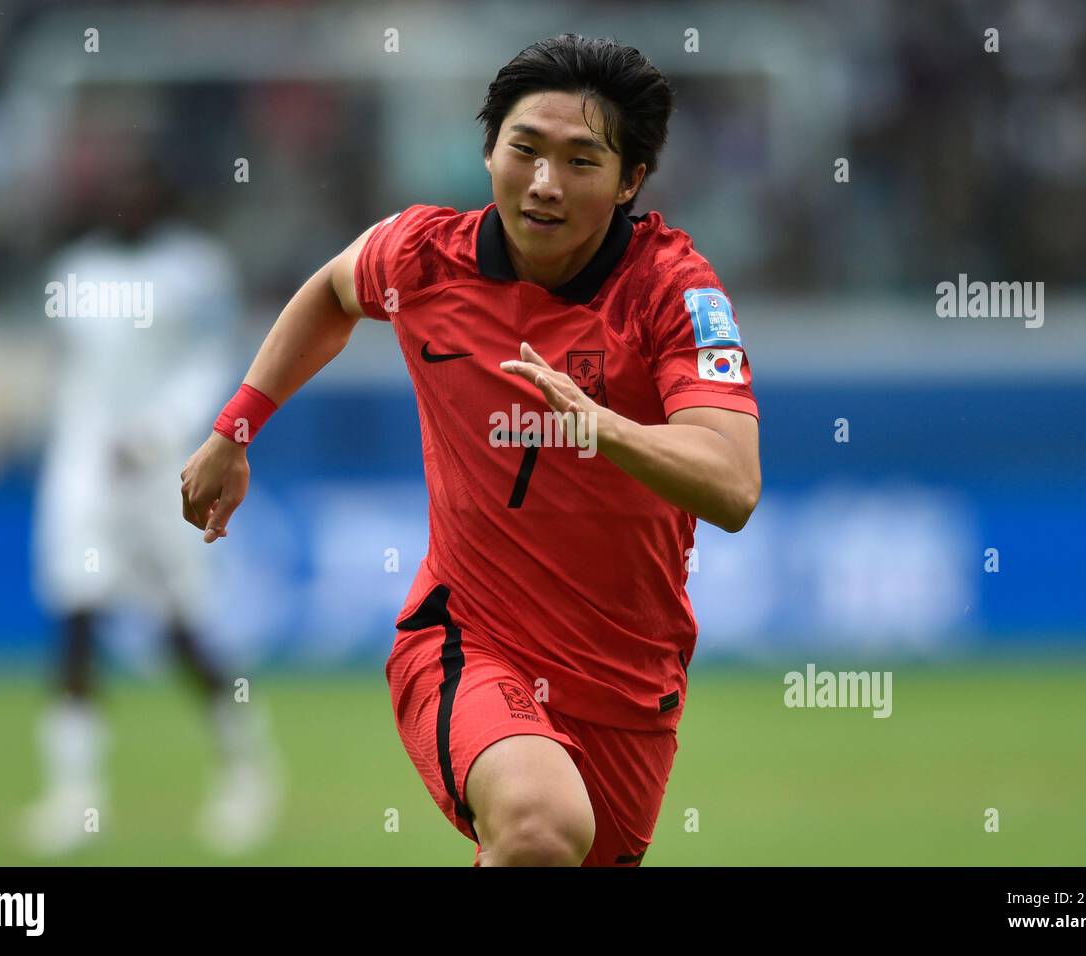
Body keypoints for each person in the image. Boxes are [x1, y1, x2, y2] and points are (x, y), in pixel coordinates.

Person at [181, 34, 760, 866]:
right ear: (488, 150)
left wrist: (605, 428)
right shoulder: (423, 257)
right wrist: (234, 430)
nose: (545, 183)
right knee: (538, 825)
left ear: (631, 181)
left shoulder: (676, 293)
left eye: (581, 161)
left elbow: (734, 484)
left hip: (629, 685)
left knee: (547, 846)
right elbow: (332, 292)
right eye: (523, 149)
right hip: (466, 642)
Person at [25, 145, 281, 856]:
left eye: (143, 187)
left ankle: (247, 768)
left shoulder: (193, 271)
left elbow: (211, 364)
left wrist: (156, 432)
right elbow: (63, 370)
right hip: (83, 469)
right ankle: (73, 791)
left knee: (182, 626)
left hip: (166, 469)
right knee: (75, 613)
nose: (129, 201)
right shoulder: (73, 271)